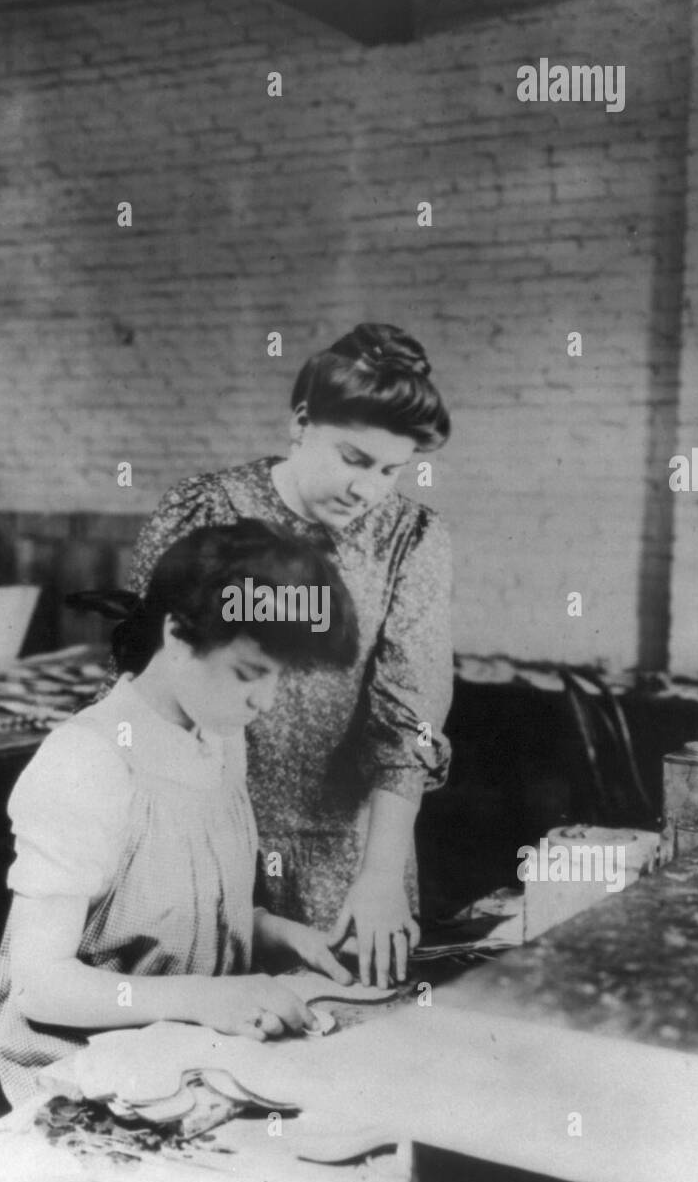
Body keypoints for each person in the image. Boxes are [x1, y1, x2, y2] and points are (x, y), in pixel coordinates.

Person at [0, 520, 359, 1108]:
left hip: (192, 1046)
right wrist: (207, 999)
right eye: (249, 674)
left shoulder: (217, 737)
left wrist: (270, 931)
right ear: (178, 640)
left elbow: (174, 909)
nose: (265, 702)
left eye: (281, 679)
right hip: (82, 1073)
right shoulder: (89, 760)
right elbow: (39, 986)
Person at [125, 323, 453, 989]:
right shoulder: (203, 511)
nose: (368, 489)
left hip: (354, 858)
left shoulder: (412, 538)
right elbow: (143, 683)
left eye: (390, 470)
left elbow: (408, 723)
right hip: (205, 839)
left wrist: (382, 876)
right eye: (353, 458)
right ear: (301, 422)